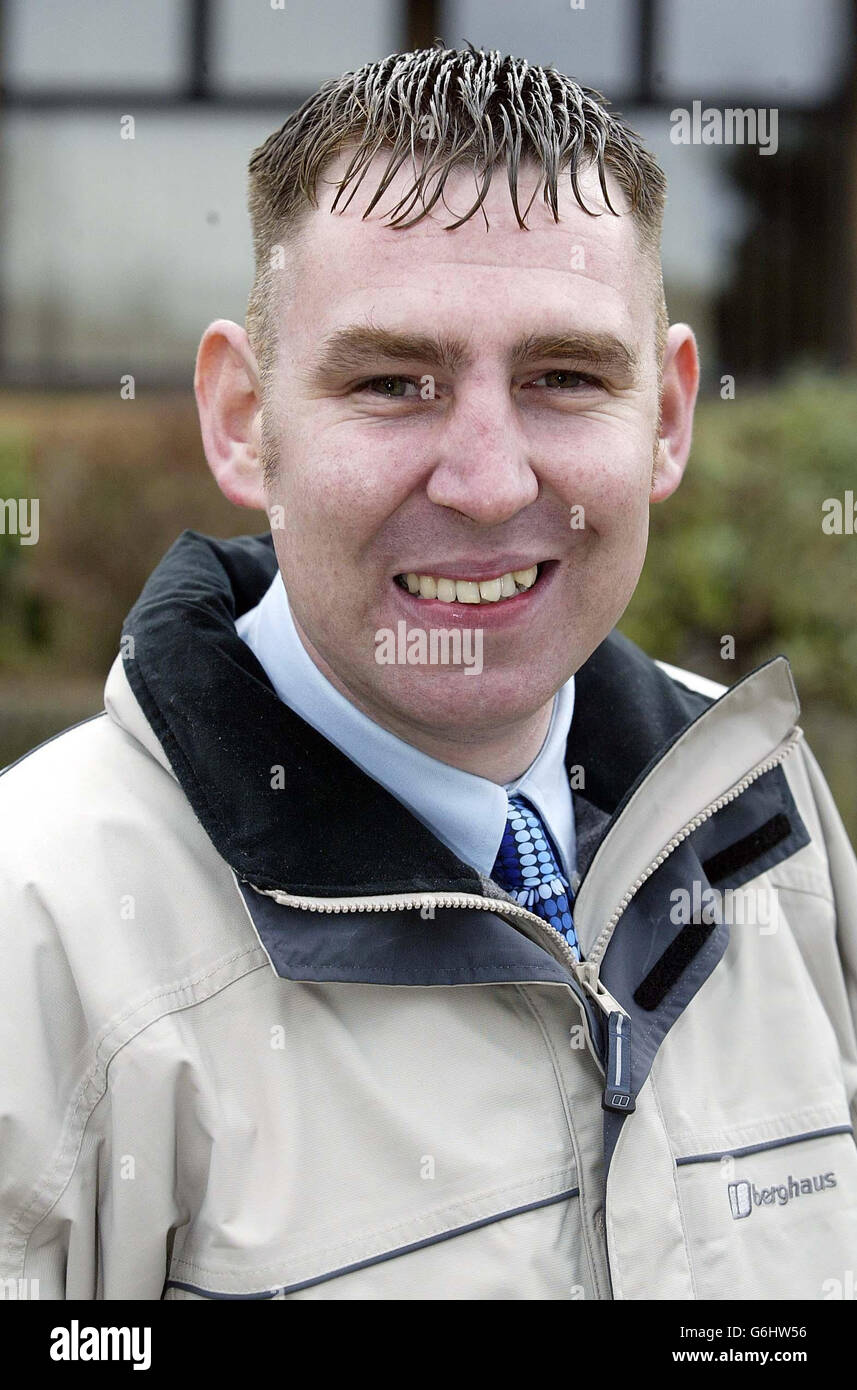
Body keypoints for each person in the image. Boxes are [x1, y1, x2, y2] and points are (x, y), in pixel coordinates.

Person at [1, 44, 856, 1303]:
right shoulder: (41, 931)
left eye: (563, 378)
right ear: (243, 419)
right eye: (392, 382)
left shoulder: (762, 812)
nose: (489, 481)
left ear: (665, 420)